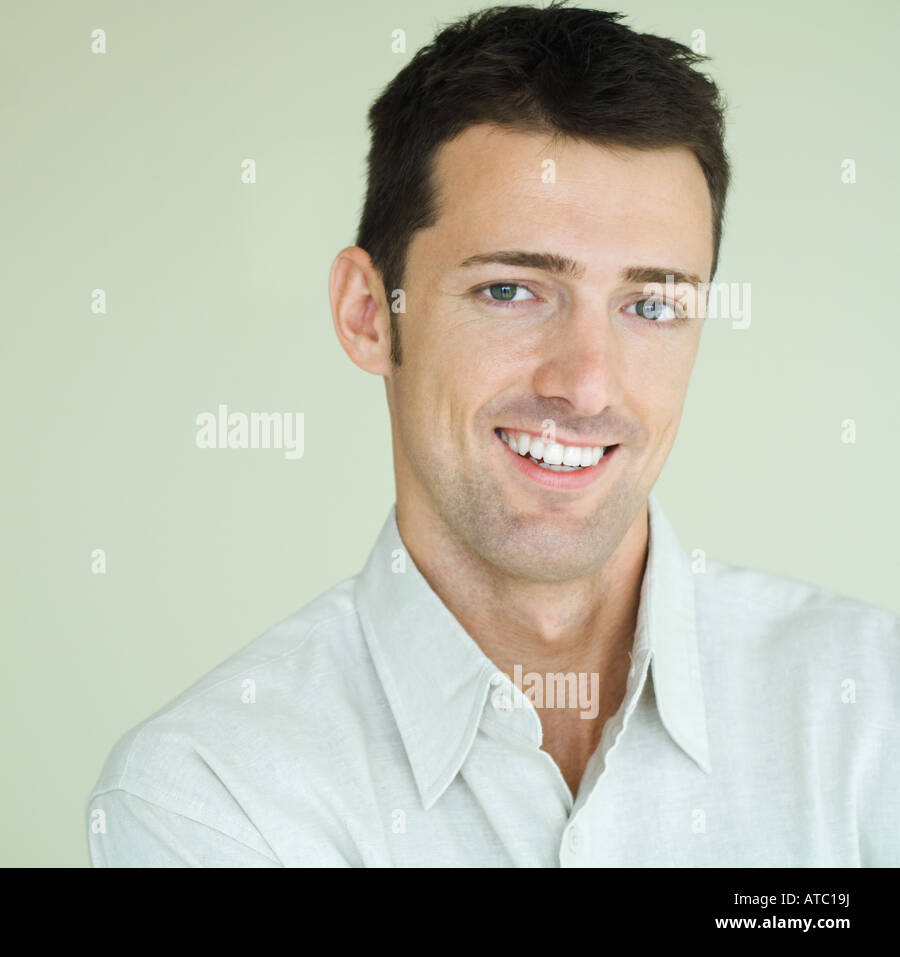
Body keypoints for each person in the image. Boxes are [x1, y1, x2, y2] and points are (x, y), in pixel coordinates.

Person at [86, 1, 899, 866]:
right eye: (512, 290)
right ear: (369, 314)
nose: (586, 383)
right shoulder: (213, 794)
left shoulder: (874, 707)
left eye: (651, 304)